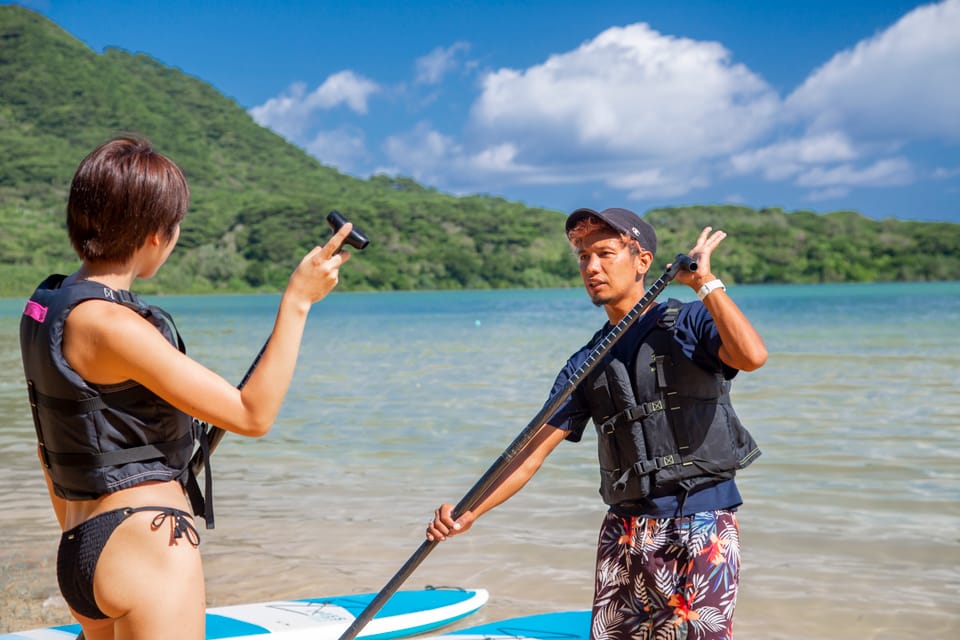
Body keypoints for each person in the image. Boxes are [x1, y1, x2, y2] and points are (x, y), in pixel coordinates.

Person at [19, 136, 354, 640]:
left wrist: (80, 536)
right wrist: (298, 301)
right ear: (155, 235)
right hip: (147, 547)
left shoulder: (46, 309)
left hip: (83, 543)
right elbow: (251, 414)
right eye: (174, 227)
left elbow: (53, 446)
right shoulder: (113, 326)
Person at [427, 207, 767, 640]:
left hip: (698, 523)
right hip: (623, 532)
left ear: (642, 260)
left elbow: (751, 357)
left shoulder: (690, 321)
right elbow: (530, 454)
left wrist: (705, 283)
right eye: (583, 258)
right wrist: (467, 512)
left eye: (605, 253)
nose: (592, 267)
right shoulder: (585, 363)